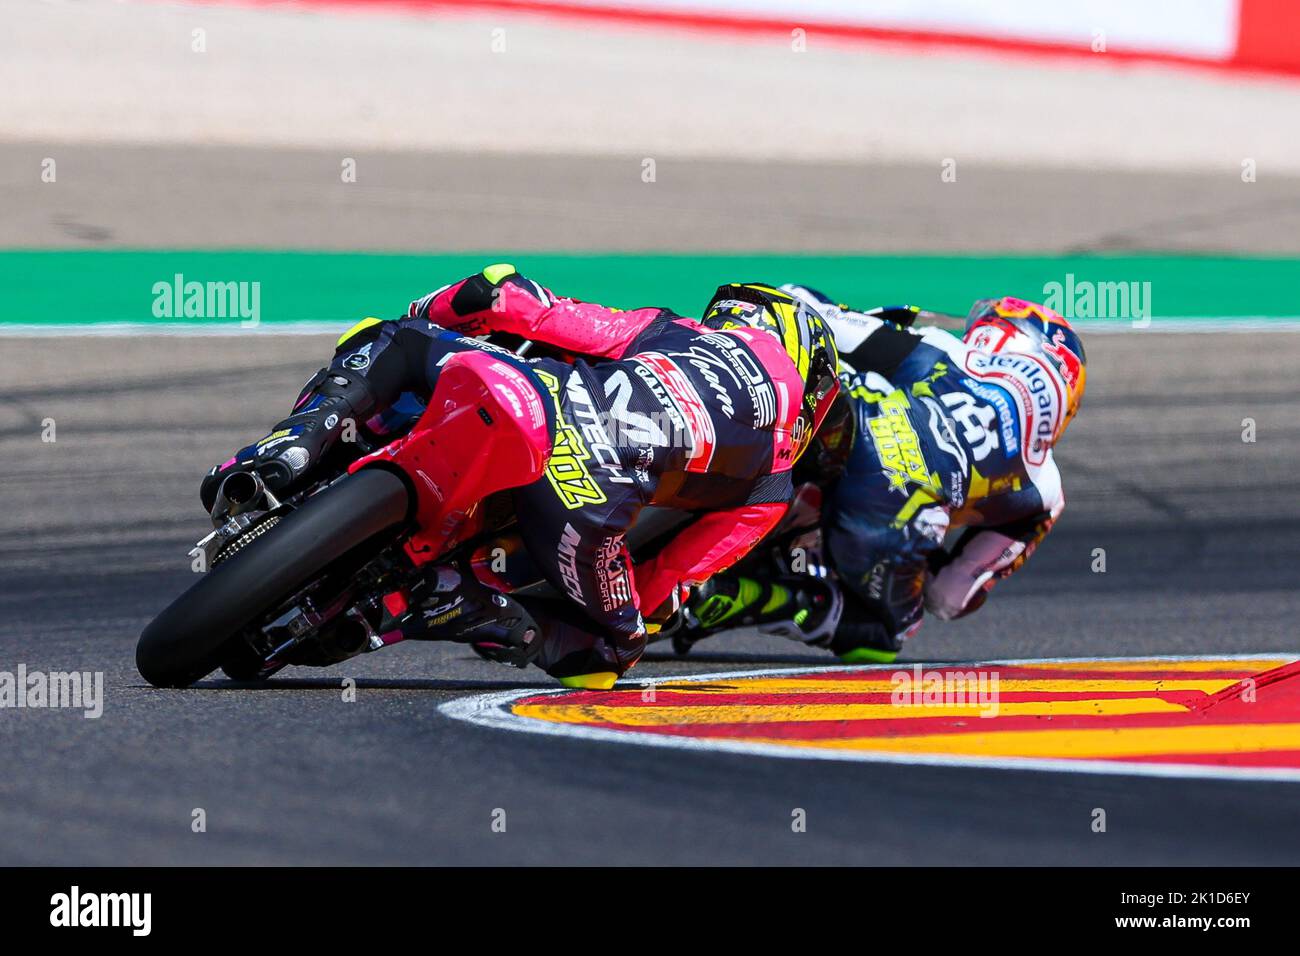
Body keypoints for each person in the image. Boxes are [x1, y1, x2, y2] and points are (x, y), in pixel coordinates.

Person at [201, 267, 839, 687]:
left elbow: (517, 301)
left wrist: (439, 309)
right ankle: (456, 606)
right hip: (585, 506)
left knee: (396, 337)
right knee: (608, 658)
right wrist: (626, 619)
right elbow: (665, 581)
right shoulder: (771, 487)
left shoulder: (673, 329)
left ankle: (292, 446)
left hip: (536, 399)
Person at [679, 289, 1086, 664]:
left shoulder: (946, 351)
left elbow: (812, 312)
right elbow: (949, 598)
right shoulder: (1044, 491)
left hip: (851, 431)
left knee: (798, 350)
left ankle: (683, 391)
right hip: (892, 528)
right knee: (887, 632)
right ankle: (751, 599)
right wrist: (930, 523)